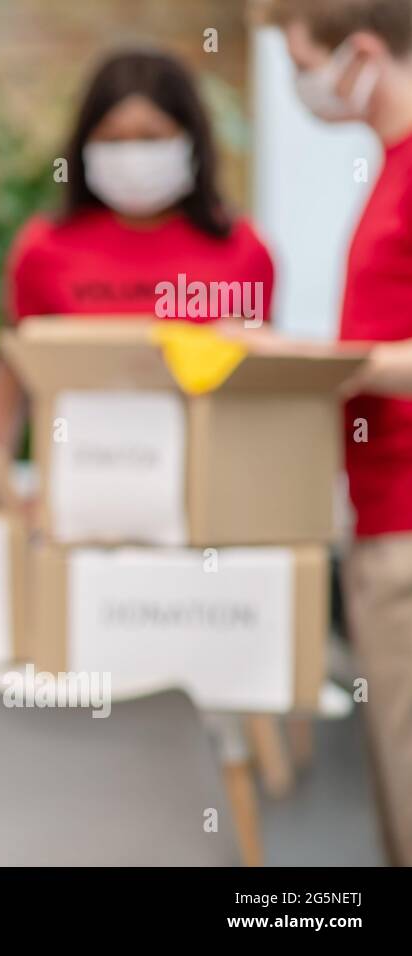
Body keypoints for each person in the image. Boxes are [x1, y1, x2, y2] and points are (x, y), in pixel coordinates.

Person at [0, 49, 276, 511]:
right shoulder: (44, 249)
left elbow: (263, 376)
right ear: (84, 146)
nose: (132, 154)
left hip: (208, 499)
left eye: (150, 138)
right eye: (113, 140)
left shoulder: (242, 250)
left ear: (190, 139)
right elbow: (14, 361)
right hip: (83, 492)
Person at [270, 0, 412, 867]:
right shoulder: (389, 167)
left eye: (301, 62)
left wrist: (336, 364)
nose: (302, 88)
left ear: (360, 52)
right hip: (380, 523)